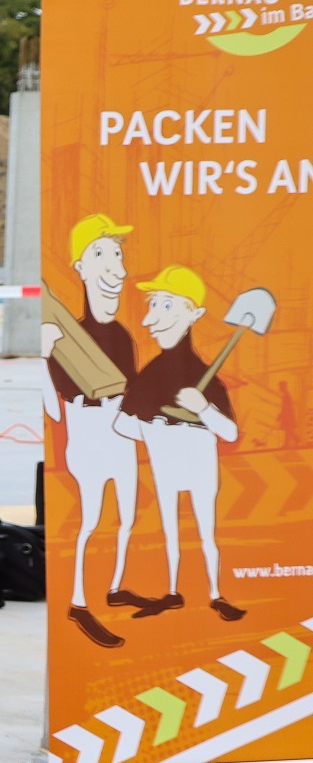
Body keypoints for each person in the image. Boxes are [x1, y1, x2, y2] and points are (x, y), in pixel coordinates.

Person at [115, 265, 244, 621]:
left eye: (167, 305)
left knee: (206, 529)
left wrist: (204, 410)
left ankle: (216, 594)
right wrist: (159, 431)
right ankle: (173, 591)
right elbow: (123, 424)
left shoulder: (205, 377)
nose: (151, 318)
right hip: (166, 462)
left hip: (200, 461)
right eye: (153, 304)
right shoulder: (150, 375)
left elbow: (230, 432)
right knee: (170, 527)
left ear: (194, 314)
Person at [41, 213, 144, 648]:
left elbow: (133, 395)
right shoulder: (67, 339)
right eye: (100, 255)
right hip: (88, 432)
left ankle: (116, 586)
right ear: (80, 269)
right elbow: (55, 412)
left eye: (117, 255)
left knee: (127, 517)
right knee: (91, 520)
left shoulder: (122, 337)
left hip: (119, 431)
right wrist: (45, 359)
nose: (114, 269)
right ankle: (80, 602)